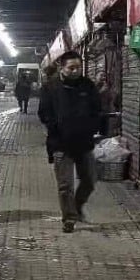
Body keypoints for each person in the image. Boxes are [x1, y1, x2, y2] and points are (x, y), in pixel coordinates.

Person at [39, 50, 102, 234]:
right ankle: (69, 218)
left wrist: (91, 127)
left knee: (89, 181)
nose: (76, 71)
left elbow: (96, 109)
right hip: (60, 144)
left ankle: (76, 206)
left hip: (84, 143)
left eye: (78, 67)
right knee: (65, 185)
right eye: (71, 68)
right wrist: (56, 129)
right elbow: (44, 113)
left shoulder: (87, 86)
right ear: (62, 67)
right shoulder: (50, 87)